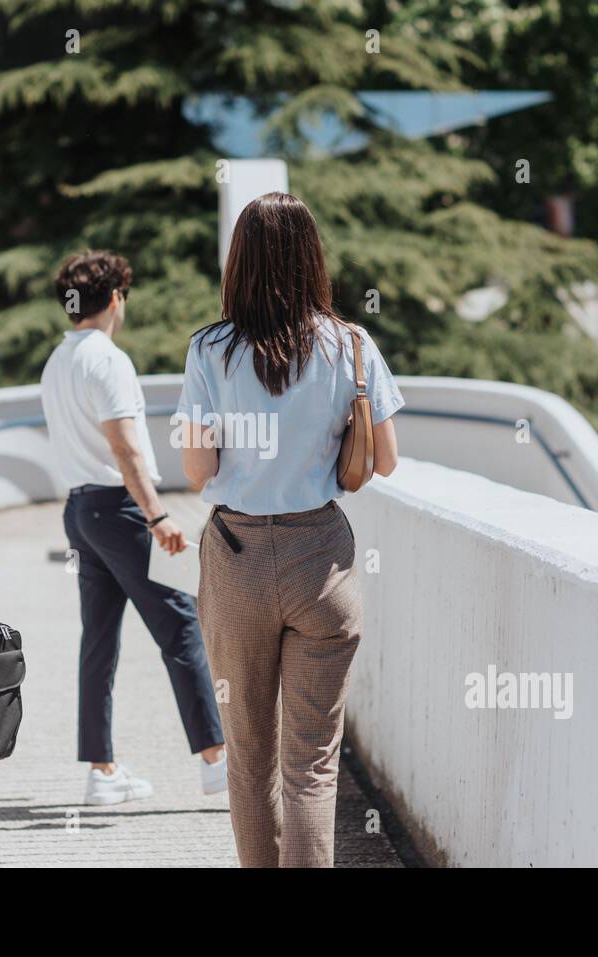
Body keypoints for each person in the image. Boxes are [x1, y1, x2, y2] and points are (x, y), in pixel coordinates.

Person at [175, 192, 403, 867]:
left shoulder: (209, 350)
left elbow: (196, 469)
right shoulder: (352, 345)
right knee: (312, 765)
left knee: (249, 756)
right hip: (322, 561)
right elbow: (385, 459)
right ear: (312, 260)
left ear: (238, 262)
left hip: (238, 557)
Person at [41, 250, 227, 806]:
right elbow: (124, 447)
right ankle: (217, 761)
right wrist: (159, 515)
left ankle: (101, 771)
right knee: (180, 626)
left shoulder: (57, 362)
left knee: (98, 640)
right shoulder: (109, 360)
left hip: (80, 511)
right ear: (116, 298)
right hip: (121, 511)